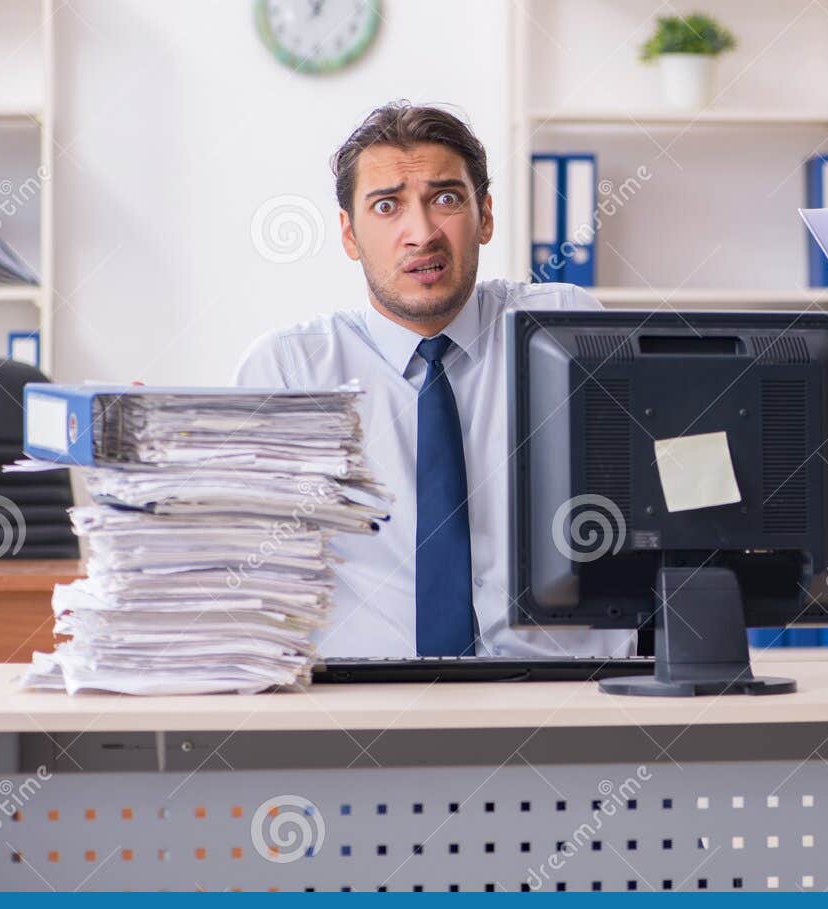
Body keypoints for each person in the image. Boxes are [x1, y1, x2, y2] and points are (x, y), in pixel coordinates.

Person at [235, 101, 633, 661]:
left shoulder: (562, 330)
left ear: (485, 216)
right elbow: (241, 571)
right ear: (349, 235)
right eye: (386, 206)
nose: (420, 233)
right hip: (359, 707)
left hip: (560, 691)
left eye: (445, 199)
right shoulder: (291, 371)